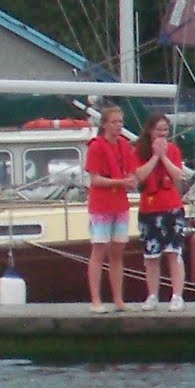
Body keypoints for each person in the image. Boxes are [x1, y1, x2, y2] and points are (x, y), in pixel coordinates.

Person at [132, 112, 190, 310]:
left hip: (171, 207)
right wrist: (155, 156)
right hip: (149, 208)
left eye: (166, 130)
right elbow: (139, 175)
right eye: (159, 130)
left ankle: (177, 295)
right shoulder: (139, 151)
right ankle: (152, 295)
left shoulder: (173, 150)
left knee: (174, 252)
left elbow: (178, 174)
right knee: (151, 256)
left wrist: (163, 156)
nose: (163, 134)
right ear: (150, 131)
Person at [83, 105, 138, 312]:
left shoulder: (124, 145)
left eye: (120, 122)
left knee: (117, 252)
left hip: (120, 205)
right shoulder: (96, 146)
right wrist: (119, 183)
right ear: (105, 124)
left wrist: (131, 180)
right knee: (99, 251)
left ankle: (118, 299)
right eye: (114, 122)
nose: (118, 126)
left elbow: (132, 171)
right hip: (101, 206)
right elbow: (95, 179)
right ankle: (96, 300)